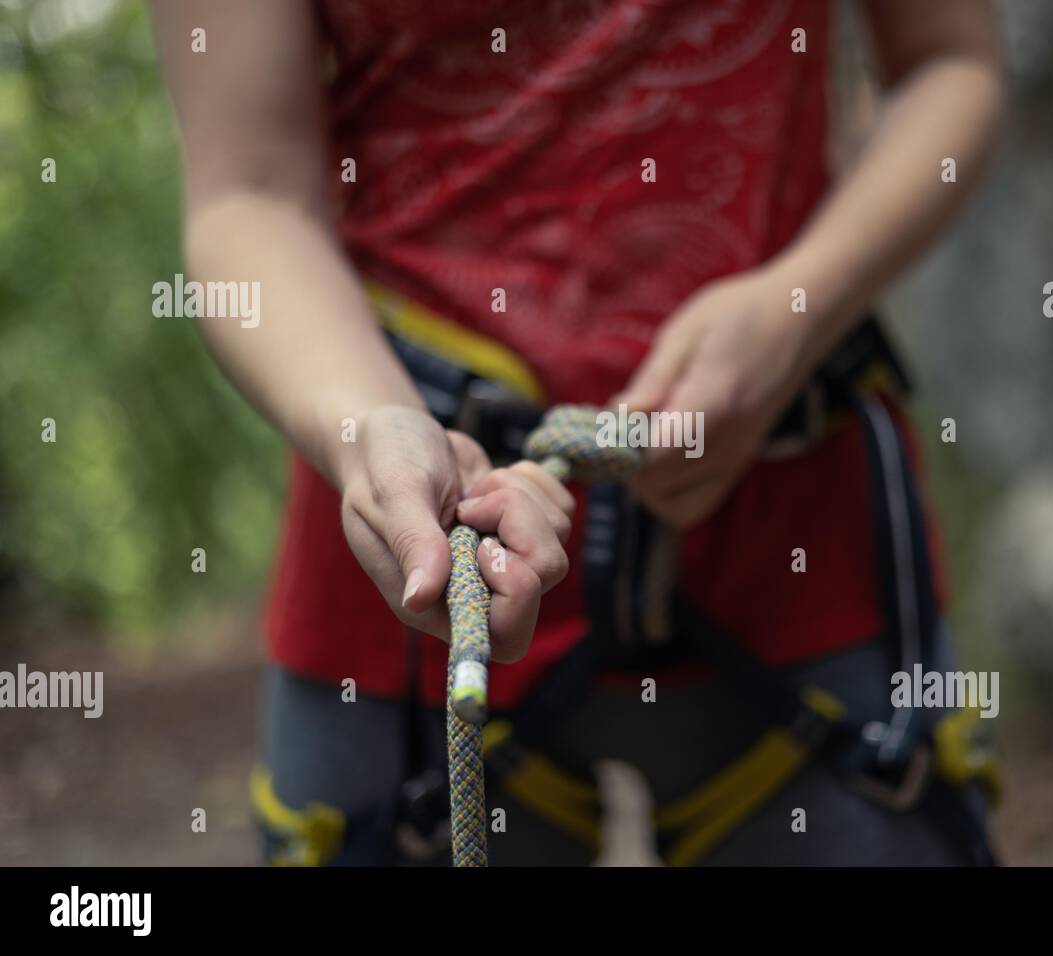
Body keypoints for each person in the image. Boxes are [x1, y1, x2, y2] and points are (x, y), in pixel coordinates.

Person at [149, 0, 1005, 865]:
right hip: (422, 549)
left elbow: (948, 63)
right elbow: (248, 197)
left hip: (797, 528)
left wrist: (798, 307)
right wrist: (367, 422)